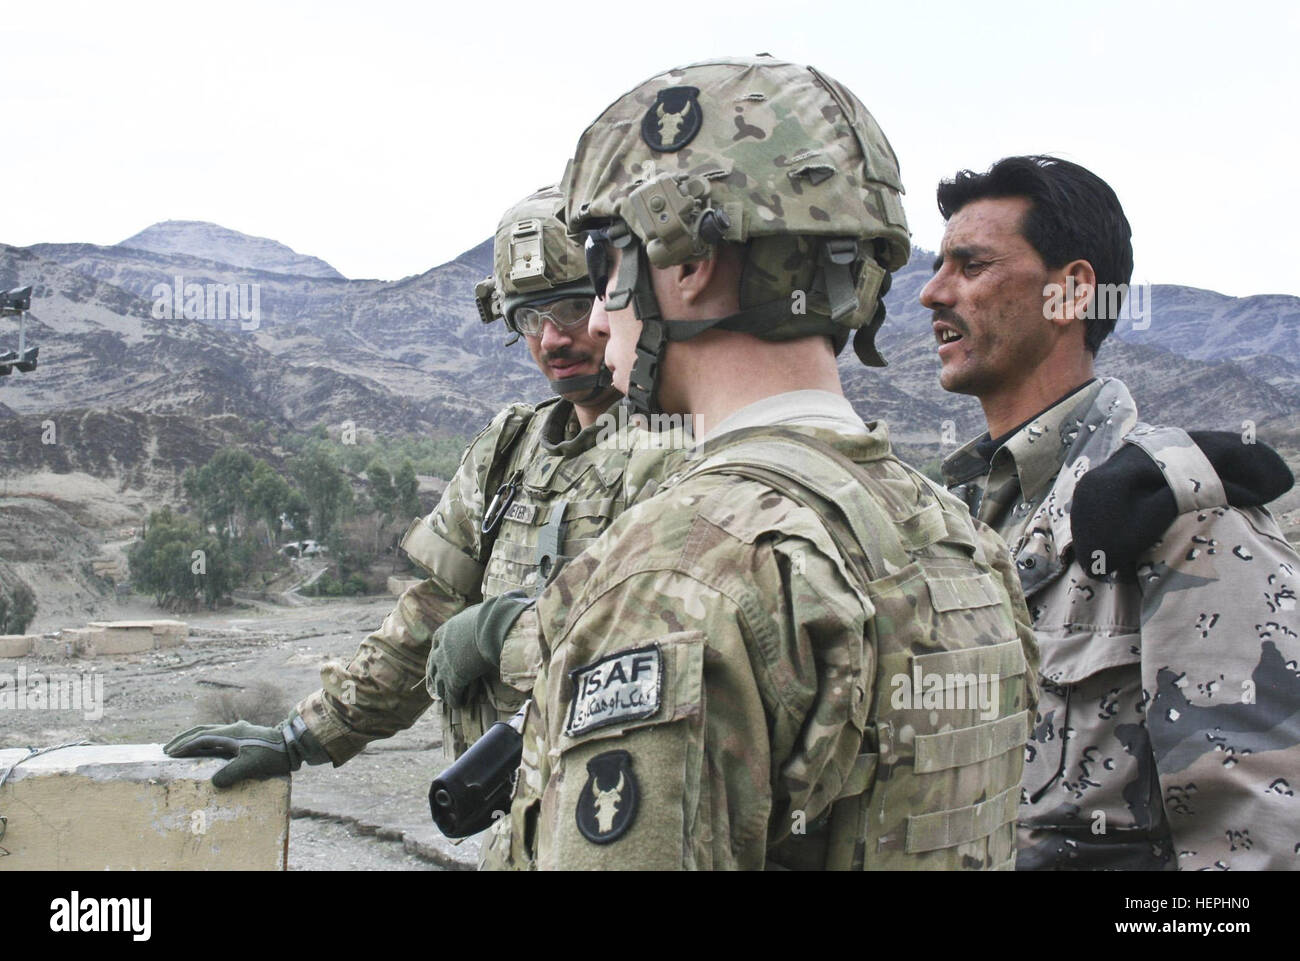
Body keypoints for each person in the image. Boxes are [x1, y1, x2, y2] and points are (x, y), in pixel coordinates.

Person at [482, 56, 1040, 871]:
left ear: (687, 263)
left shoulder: (677, 573)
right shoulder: (963, 541)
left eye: (606, 266)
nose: (599, 320)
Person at [165, 186, 684, 786]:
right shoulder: (508, 450)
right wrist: (302, 735)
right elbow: (431, 613)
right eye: (527, 319)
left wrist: (501, 634)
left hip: (618, 801)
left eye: (569, 309)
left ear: (616, 301)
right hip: (514, 809)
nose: (551, 340)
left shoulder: (680, 449)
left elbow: (661, 650)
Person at [922, 155, 1299, 870]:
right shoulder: (956, 522)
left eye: (971, 266)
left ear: (1070, 293)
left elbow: (1258, 848)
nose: (932, 293)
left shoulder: (1178, 512)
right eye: (939, 266)